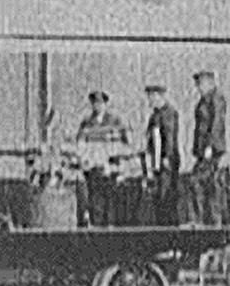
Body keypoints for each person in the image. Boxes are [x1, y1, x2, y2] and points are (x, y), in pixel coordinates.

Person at [74, 91, 132, 227]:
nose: (97, 106)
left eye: (100, 103)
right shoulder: (87, 122)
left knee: (110, 200)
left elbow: (126, 143)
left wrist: (119, 164)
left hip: (110, 168)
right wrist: (84, 161)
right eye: (94, 103)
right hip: (94, 168)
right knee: (95, 201)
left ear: (106, 104)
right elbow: (80, 143)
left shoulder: (115, 120)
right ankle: (97, 227)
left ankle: (110, 227)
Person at [188, 70, 229, 226]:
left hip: (212, 151)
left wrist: (210, 146)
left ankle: (212, 222)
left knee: (208, 184)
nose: (198, 87)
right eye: (197, 84)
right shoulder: (202, 101)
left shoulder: (217, 99)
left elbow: (217, 123)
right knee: (199, 183)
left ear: (210, 83)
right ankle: (202, 220)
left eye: (200, 84)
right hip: (202, 152)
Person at [143, 83, 181, 225]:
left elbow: (169, 137)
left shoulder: (169, 113)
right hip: (156, 162)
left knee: (166, 196)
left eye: (151, 97)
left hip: (167, 162)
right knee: (158, 197)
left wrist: (166, 157)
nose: (150, 100)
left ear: (159, 96)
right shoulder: (155, 116)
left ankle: (169, 230)